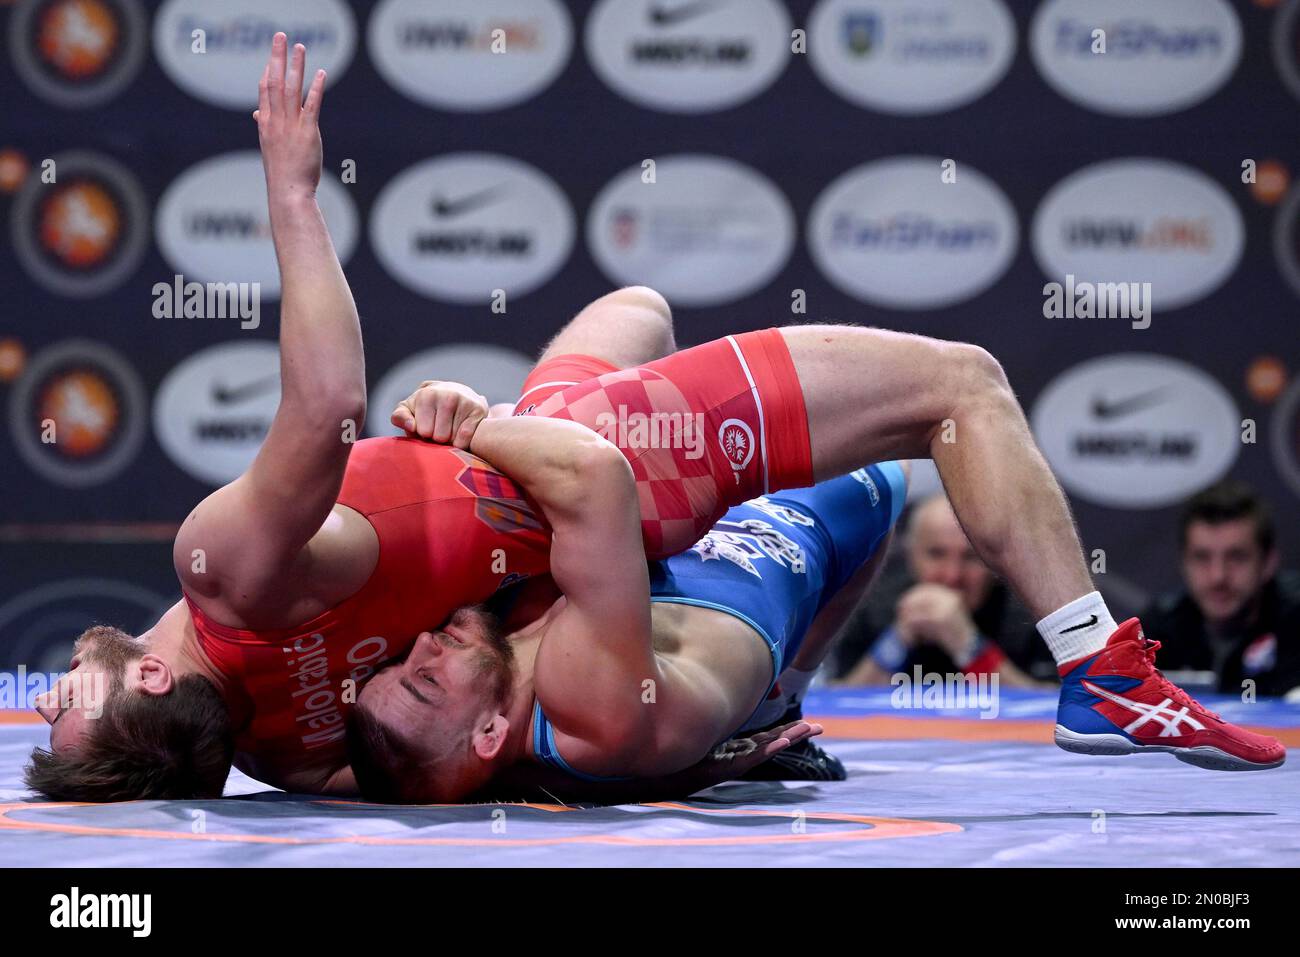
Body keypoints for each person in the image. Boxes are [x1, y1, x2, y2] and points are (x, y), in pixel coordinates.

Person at [348, 460, 909, 801]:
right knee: (903, 456)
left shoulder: (480, 718)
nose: (421, 644)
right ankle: (784, 696)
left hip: (714, 551)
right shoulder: (582, 698)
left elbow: (307, 772)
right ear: (489, 735)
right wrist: (474, 424)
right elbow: (595, 476)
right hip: (785, 527)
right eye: (425, 681)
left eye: (396, 664)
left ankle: (781, 701)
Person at [834, 492, 1054, 687]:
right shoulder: (870, 602)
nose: (952, 575)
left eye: (970, 556)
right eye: (937, 554)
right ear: (912, 555)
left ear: (993, 560)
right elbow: (837, 705)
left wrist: (967, 644)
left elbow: (1052, 710)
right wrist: (897, 640)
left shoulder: (1031, 610)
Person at [1141, 480, 1300, 698]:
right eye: (1202, 557)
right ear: (1183, 563)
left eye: (1236, 557)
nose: (1218, 576)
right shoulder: (1156, 630)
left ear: (1268, 562)